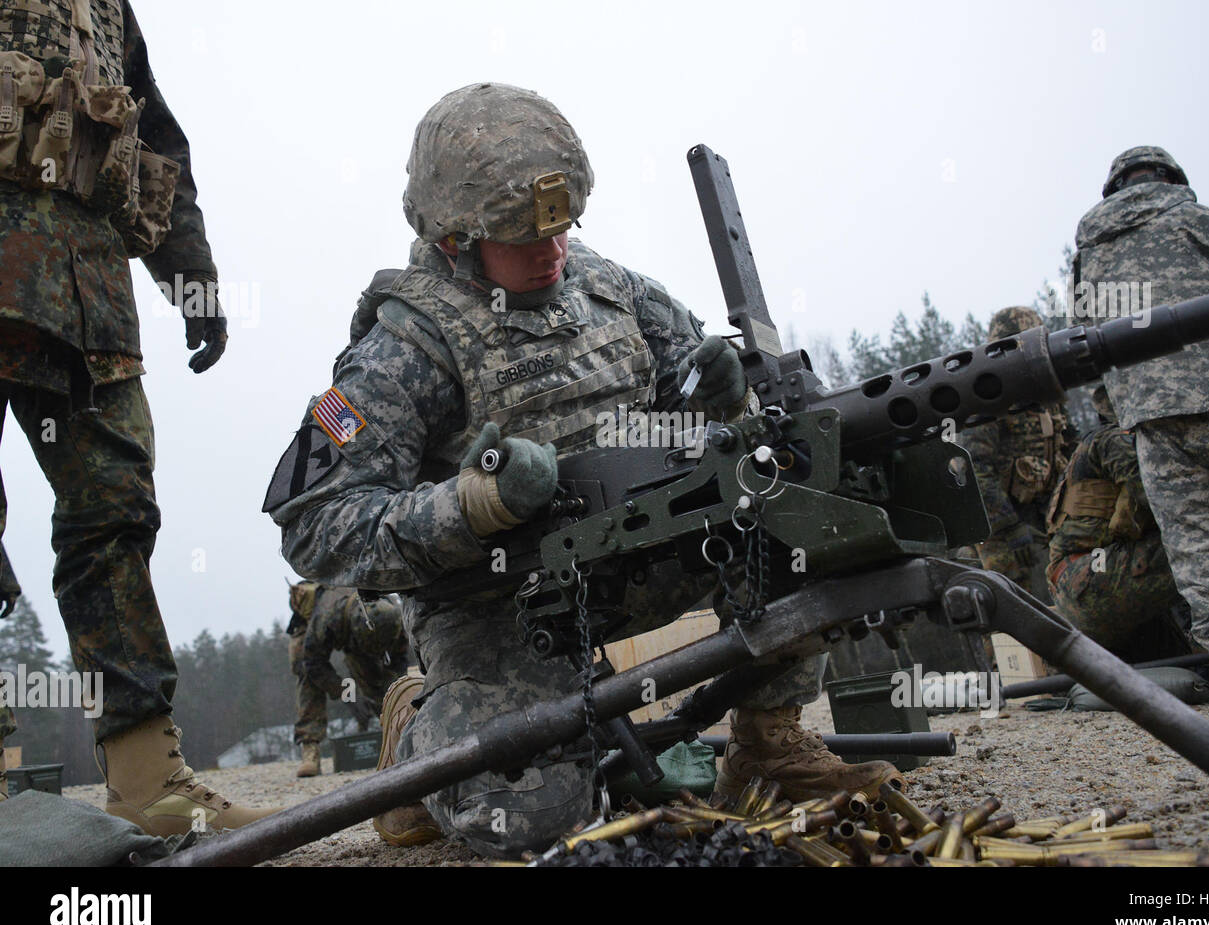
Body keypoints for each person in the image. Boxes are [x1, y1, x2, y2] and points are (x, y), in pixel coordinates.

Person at [267, 82, 904, 859]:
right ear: (455, 239)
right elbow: (312, 521)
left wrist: (725, 399)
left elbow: (696, 413)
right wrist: (472, 505)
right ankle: (415, 728)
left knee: (805, 504)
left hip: (639, 555)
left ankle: (767, 744)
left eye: (562, 226)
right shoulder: (402, 351)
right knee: (532, 817)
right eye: (522, 236)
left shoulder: (612, 290)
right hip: (501, 608)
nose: (553, 251)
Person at [0, 0, 272, 832]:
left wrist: (193, 278)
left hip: (85, 291)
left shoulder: (106, 10)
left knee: (115, 512)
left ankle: (149, 780)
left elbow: (153, 143)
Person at [1072, 145, 1209, 707]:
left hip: (1155, 425)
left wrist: (1126, 414)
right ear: (1171, 179)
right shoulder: (1205, 223)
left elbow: (1086, 355)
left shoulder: (1088, 261)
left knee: (1201, 554)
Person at [1045, 387, 1188, 656]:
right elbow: (1162, 500)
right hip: (1091, 581)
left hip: (1088, 583)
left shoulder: (1104, 440)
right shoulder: (1114, 440)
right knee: (1207, 538)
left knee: (1184, 663)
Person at [964, 306, 1071, 606]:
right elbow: (973, 469)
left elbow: (1067, 449)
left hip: (1047, 517)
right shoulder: (987, 397)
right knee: (1008, 605)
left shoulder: (1046, 395)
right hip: (1000, 526)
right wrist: (1008, 526)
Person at [285, 580, 407, 777]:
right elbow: (313, 663)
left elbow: (398, 662)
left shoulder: (394, 618)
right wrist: (349, 695)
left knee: (375, 678)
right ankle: (310, 747)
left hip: (358, 629)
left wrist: (395, 699)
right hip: (315, 622)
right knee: (306, 674)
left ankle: (395, 736)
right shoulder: (326, 618)